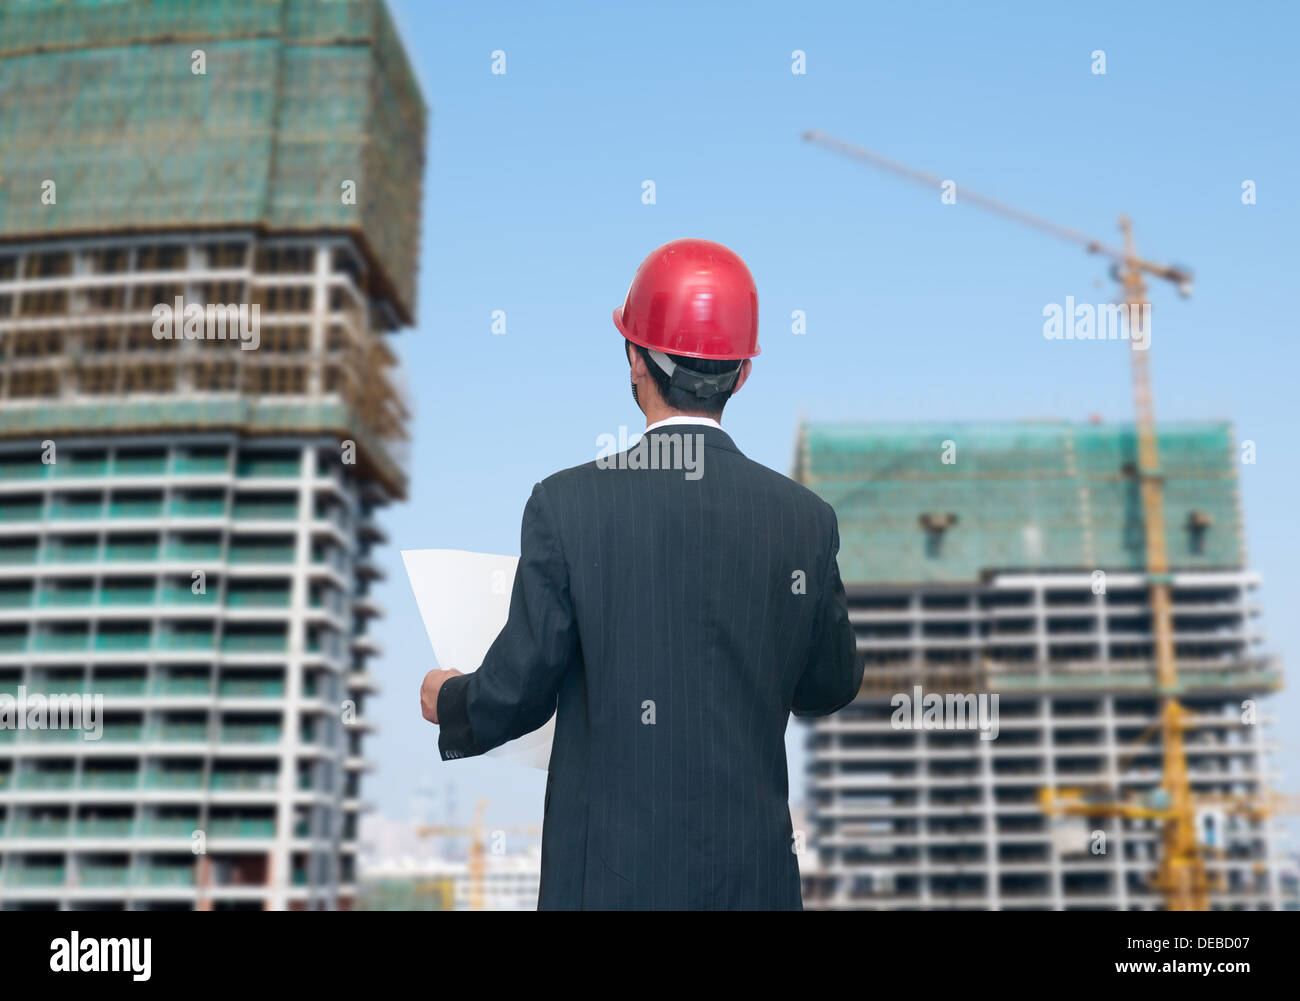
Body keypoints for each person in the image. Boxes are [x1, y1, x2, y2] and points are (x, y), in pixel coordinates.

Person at [420, 238, 861, 909]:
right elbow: (829, 685)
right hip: (752, 886)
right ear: (742, 373)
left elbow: (521, 689)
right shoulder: (805, 521)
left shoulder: (566, 506)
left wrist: (450, 698)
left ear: (634, 358)